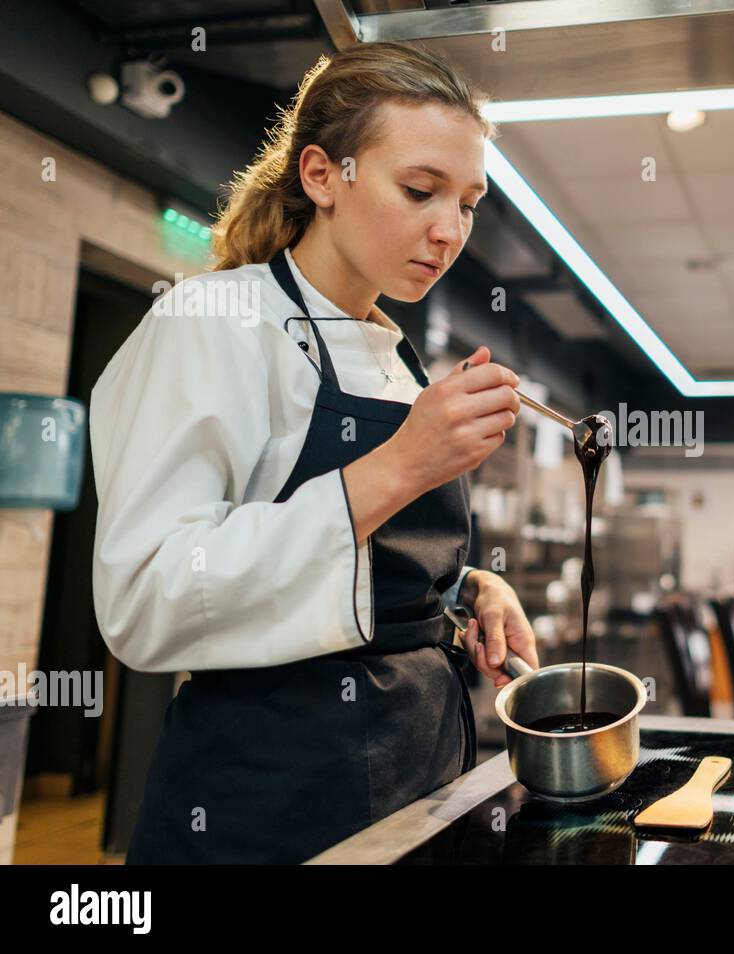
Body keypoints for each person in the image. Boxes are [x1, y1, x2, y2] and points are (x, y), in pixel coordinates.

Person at [88, 41, 538, 863]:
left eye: (470, 203)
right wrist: (403, 463)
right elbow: (145, 599)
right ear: (323, 175)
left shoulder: (393, 353)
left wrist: (464, 590)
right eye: (420, 190)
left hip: (421, 781)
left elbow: (355, 559)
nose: (450, 231)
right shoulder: (213, 322)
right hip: (270, 806)